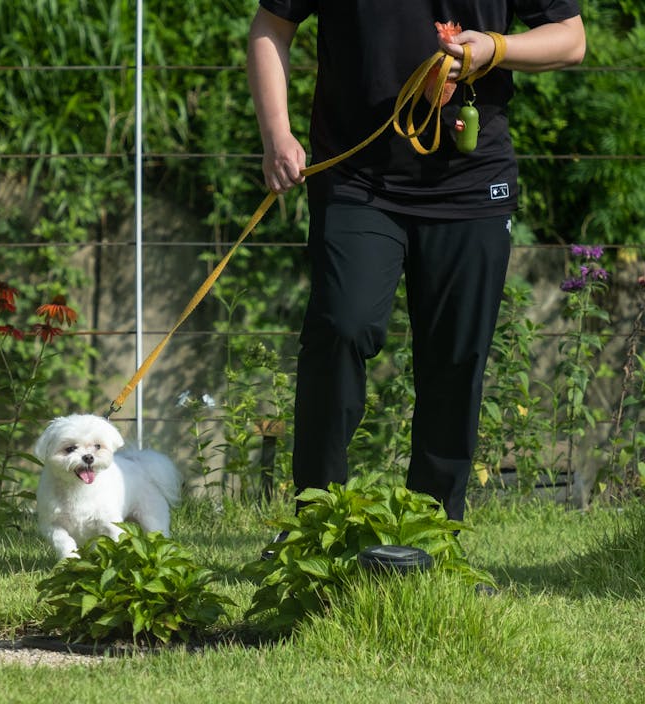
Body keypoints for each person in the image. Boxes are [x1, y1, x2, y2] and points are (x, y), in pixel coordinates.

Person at [246, 1, 586, 526]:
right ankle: (315, 523)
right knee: (342, 325)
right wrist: (276, 133)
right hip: (356, 176)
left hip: (472, 181)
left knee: (456, 355)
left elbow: (570, 38)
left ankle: (432, 532)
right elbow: (272, 26)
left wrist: (494, 49)